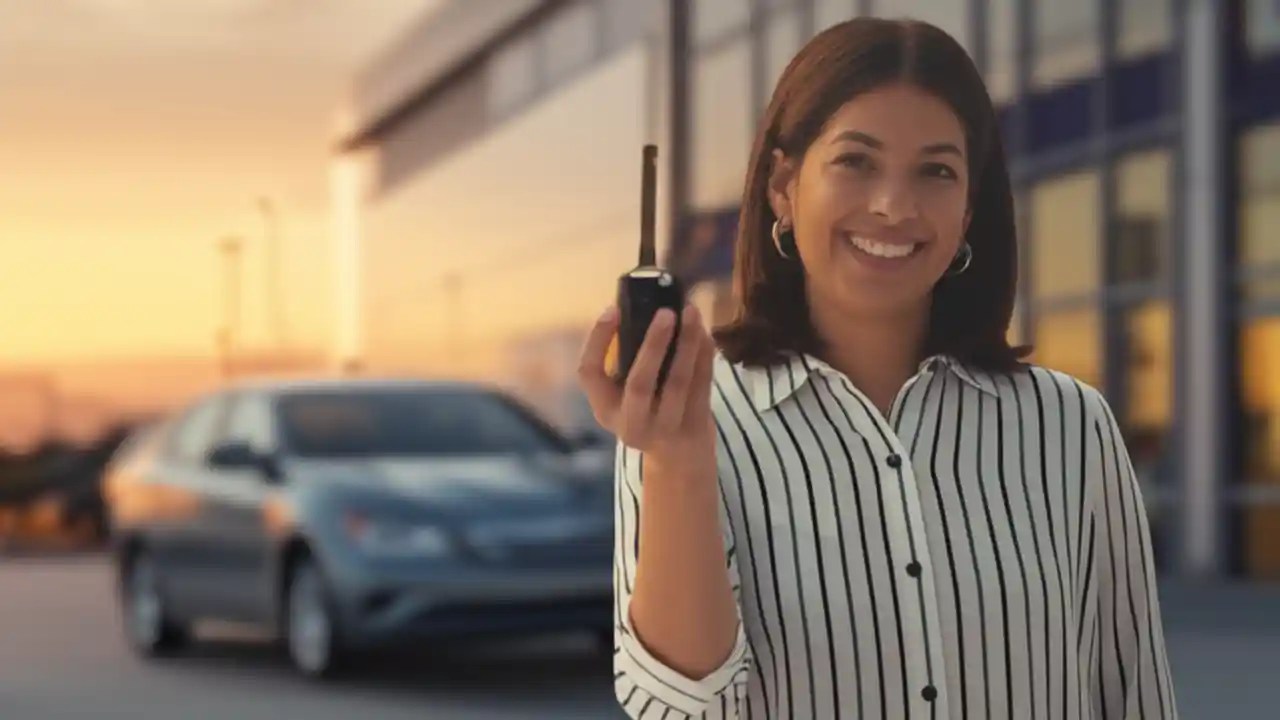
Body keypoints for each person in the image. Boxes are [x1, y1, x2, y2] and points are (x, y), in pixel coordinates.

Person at [577, 16, 1178, 720]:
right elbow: (677, 705)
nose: (894, 205)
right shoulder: (691, 419)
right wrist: (679, 462)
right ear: (782, 185)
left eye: (936, 171)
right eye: (856, 161)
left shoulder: (1071, 425)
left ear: (969, 205)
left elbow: (1132, 691)